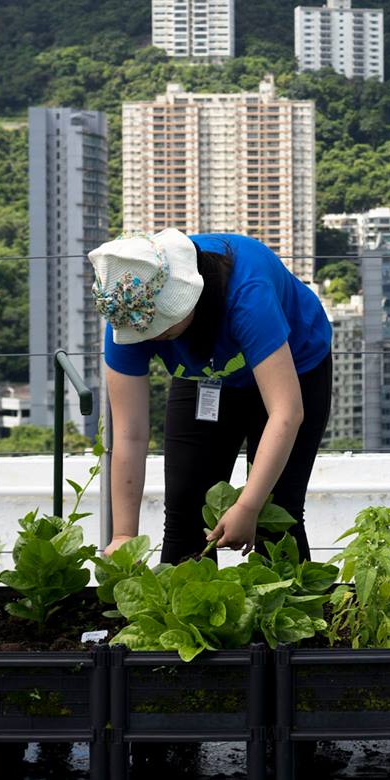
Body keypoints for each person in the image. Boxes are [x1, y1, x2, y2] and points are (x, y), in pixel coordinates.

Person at [92, 229, 332, 563]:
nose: (154, 337)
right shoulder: (129, 311)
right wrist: (123, 536)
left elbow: (286, 412)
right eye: (147, 331)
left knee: (276, 516)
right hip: (207, 377)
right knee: (186, 513)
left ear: (186, 296)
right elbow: (129, 432)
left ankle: (288, 596)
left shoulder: (247, 294)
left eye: (164, 326)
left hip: (295, 366)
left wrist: (247, 506)